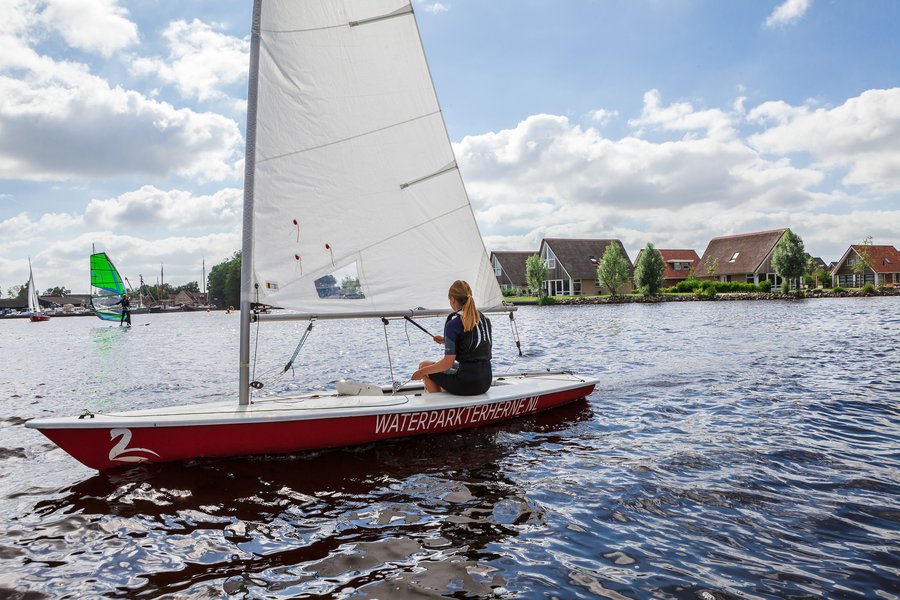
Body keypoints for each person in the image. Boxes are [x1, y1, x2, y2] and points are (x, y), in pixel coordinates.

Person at [412, 280, 492, 395]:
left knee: (424, 366)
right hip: (485, 381)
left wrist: (421, 372)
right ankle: (446, 394)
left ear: (452, 299)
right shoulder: (484, 320)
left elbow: (447, 363)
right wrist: (446, 341)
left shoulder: (453, 324)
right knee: (441, 371)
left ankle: (439, 407)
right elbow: (476, 347)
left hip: (468, 383)